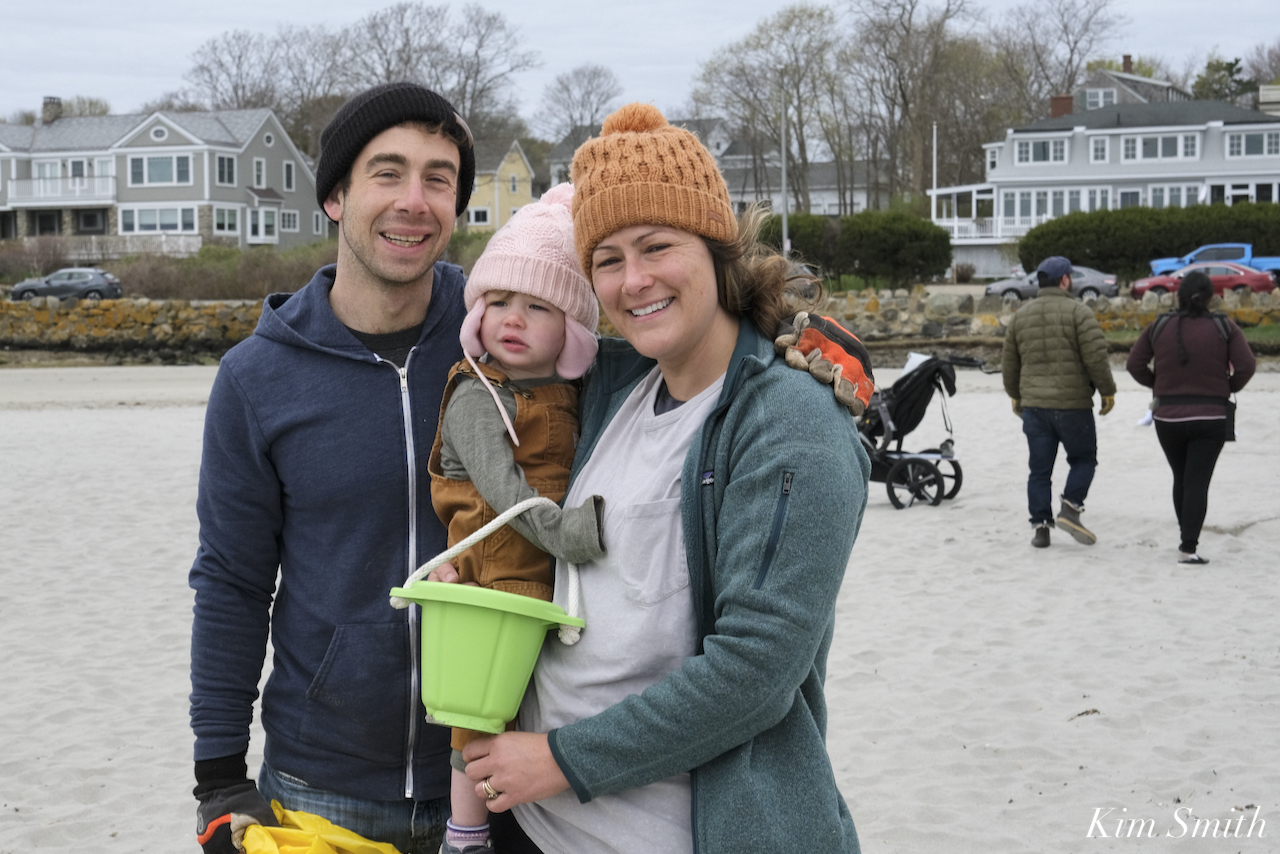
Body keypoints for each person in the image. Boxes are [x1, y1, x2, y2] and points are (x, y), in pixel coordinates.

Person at [443, 103, 871, 854]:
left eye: (656, 246)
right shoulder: (610, 387)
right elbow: (509, 330)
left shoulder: (790, 423)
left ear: (717, 249)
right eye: (606, 259)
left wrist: (559, 761)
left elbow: (755, 674)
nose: (633, 280)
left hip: (678, 831)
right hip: (538, 825)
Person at [188, 82, 477, 854]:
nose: (414, 200)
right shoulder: (256, 379)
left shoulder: (502, 334)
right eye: (387, 173)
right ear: (335, 198)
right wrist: (218, 777)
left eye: (438, 178)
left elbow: (650, 331)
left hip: (497, 776)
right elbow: (232, 580)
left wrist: (786, 334)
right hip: (324, 790)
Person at [427, 183, 607, 854]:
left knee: (536, 716)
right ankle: (465, 834)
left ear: (573, 331)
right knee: (474, 715)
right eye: (498, 301)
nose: (513, 318)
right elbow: (504, 492)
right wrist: (567, 534)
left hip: (543, 584)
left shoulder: (571, 391)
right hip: (486, 576)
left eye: (538, 306)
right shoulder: (479, 392)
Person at [1125, 270, 1256, 564]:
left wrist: (1159, 385)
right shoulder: (1225, 326)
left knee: (1181, 477)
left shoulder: (1159, 325)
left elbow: (1133, 364)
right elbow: (1247, 366)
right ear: (1211, 298)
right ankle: (1188, 547)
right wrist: (1226, 387)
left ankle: (1186, 538)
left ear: (1178, 296)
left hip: (1167, 417)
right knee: (1197, 481)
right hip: (1211, 416)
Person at [1002, 255, 1116, 549]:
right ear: (1065, 279)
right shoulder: (1079, 312)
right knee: (1084, 459)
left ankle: (1041, 528)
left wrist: (1015, 395)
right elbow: (1096, 358)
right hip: (1073, 406)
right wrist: (1107, 391)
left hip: (1034, 408)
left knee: (1039, 470)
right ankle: (1071, 507)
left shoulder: (1020, 316)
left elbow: (1010, 364)